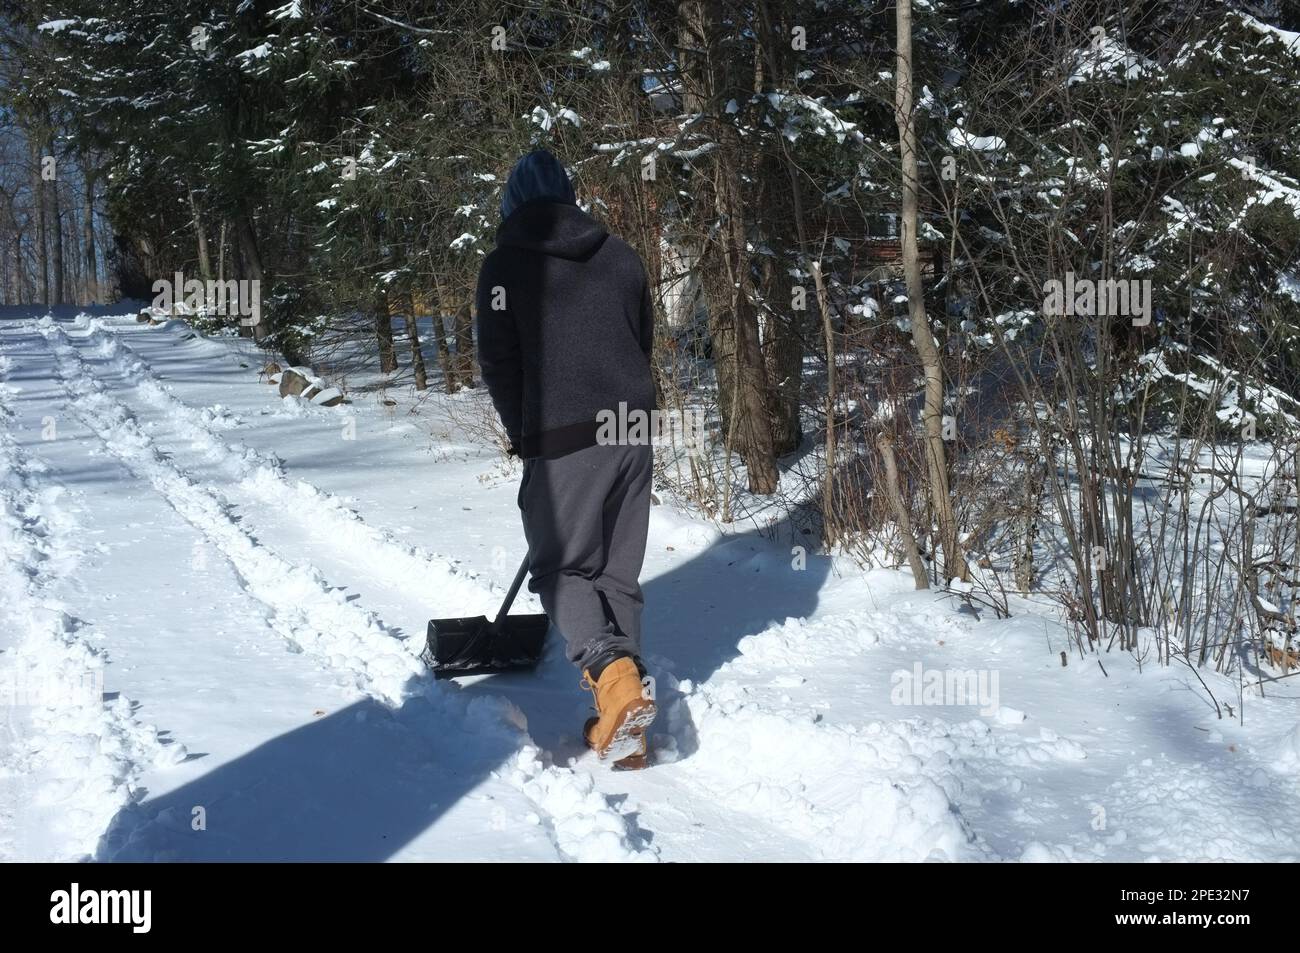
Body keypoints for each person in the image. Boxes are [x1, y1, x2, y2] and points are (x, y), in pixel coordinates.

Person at [475, 149, 657, 768]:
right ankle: (626, 723)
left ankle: (615, 683)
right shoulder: (622, 255)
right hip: (634, 429)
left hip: (564, 437)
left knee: (560, 571)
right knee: (614, 574)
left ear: (511, 203)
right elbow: (643, 340)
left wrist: (524, 436)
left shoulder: (504, 268)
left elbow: (501, 364)